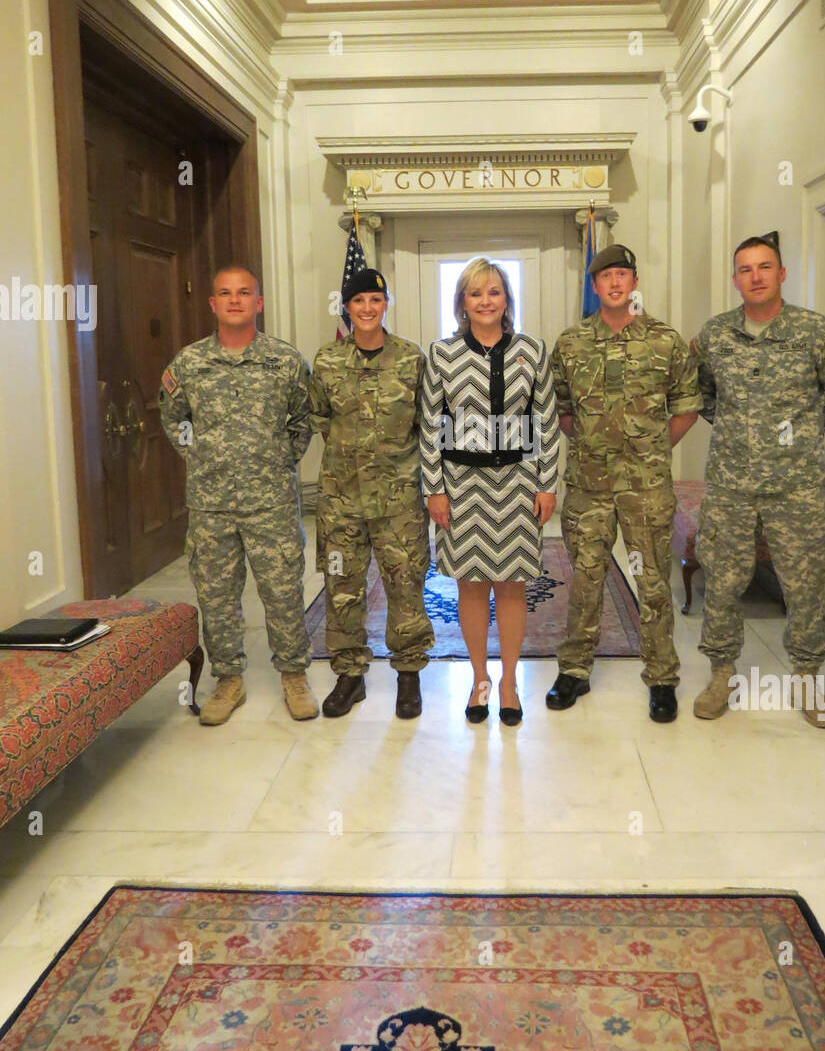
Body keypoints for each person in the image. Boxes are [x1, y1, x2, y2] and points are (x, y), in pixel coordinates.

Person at [691, 235, 825, 727]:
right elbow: (702, 394)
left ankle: (808, 679)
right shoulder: (717, 334)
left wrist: (801, 432)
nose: (756, 277)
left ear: (782, 274)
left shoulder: (815, 332)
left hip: (797, 485)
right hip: (730, 482)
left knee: (805, 585)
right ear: (735, 279)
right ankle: (721, 674)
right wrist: (742, 433)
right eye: (745, 269)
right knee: (722, 583)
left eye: (765, 267)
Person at [547, 244, 701, 722]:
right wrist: (595, 444)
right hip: (589, 486)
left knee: (652, 581)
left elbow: (687, 406)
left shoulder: (665, 341)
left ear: (634, 282)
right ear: (594, 287)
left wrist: (650, 448)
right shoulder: (571, 343)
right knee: (586, 581)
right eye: (605, 276)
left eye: (622, 275)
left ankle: (661, 677)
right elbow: (562, 409)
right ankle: (574, 670)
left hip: (645, 487)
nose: (614, 283)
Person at [159, 265, 316, 726]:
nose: (234, 300)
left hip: (272, 501)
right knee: (217, 595)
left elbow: (301, 421)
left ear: (258, 303)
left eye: (244, 293)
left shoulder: (285, 361)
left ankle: (294, 675)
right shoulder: (188, 364)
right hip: (211, 504)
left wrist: (277, 460)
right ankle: (228, 680)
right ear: (212, 304)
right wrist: (202, 456)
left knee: (284, 589)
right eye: (225, 293)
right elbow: (174, 419)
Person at [420, 258, 559, 725]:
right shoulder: (441, 355)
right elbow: (431, 427)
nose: (485, 300)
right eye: (475, 293)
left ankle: (509, 681)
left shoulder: (533, 351)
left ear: (506, 300)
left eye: (494, 292)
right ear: (462, 303)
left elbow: (545, 422)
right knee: (472, 586)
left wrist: (546, 482)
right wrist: (434, 489)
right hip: (462, 488)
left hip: (518, 484)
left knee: (513, 586)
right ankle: (481, 678)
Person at [309, 269, 434, 719]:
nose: (366, 308)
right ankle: (350, 675)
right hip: (341, 501)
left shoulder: (411, 360)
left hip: (398, 501)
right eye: (358, 300)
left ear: (386, 304)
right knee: (342, 589)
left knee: (406, 586)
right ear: (346, 306)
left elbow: (427, 425)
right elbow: (321, 418)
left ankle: (408, 673)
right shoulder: (326, 361)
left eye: (375, 300)